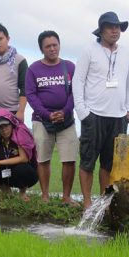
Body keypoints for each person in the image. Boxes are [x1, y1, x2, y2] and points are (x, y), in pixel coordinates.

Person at [73, 11, 129, 208]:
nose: (115, 31)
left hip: (118, 117)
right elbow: (78, 81)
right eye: (111, 27)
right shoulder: (89, 50)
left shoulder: (125, 53)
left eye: (118, 27)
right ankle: (87, 201)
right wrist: (82, 112)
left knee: (109, 164)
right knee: (88, 162)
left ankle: (102, 203)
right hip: (93, 115)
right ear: (101, 30)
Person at [25, 30, 78, 204]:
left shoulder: (70, 67)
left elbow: (75, 93)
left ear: (59, 45)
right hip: (41, 120)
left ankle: (66, 197)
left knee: (69, 159)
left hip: (66, 120)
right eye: (48, 46)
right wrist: (47, 114)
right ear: (42, 48)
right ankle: (45, 196)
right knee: (43, 159)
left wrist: (65, 111)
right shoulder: (33, 69)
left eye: (55, 45)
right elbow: (31, 95)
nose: (52, 49)